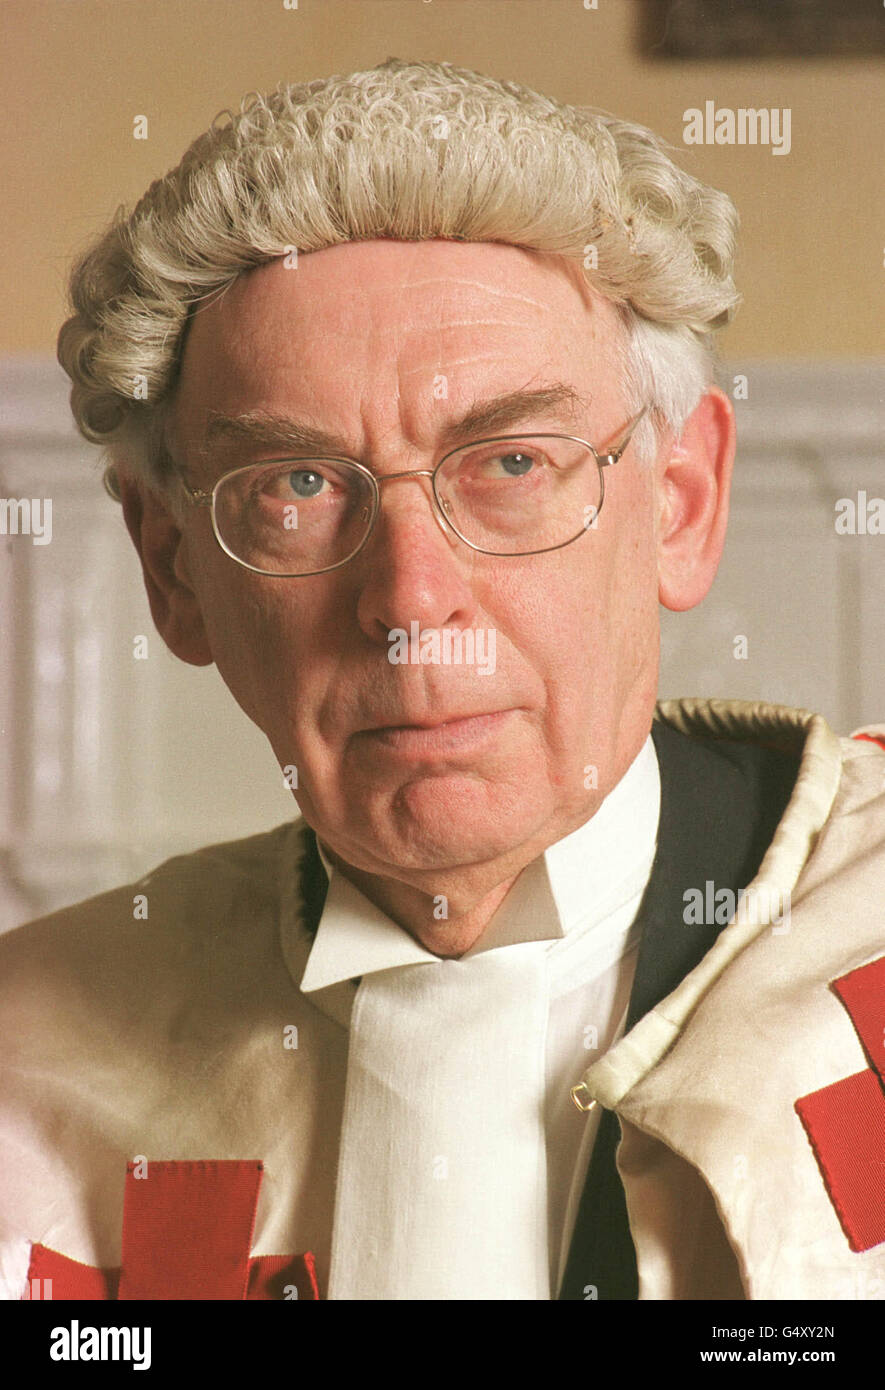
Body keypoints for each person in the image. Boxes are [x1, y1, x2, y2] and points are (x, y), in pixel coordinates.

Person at [1, 58, 883, 1303]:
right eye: (297, 487)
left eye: (512, 462)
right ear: (173, 571)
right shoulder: (32, 1059)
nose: (411, 600)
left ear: (681, 506)